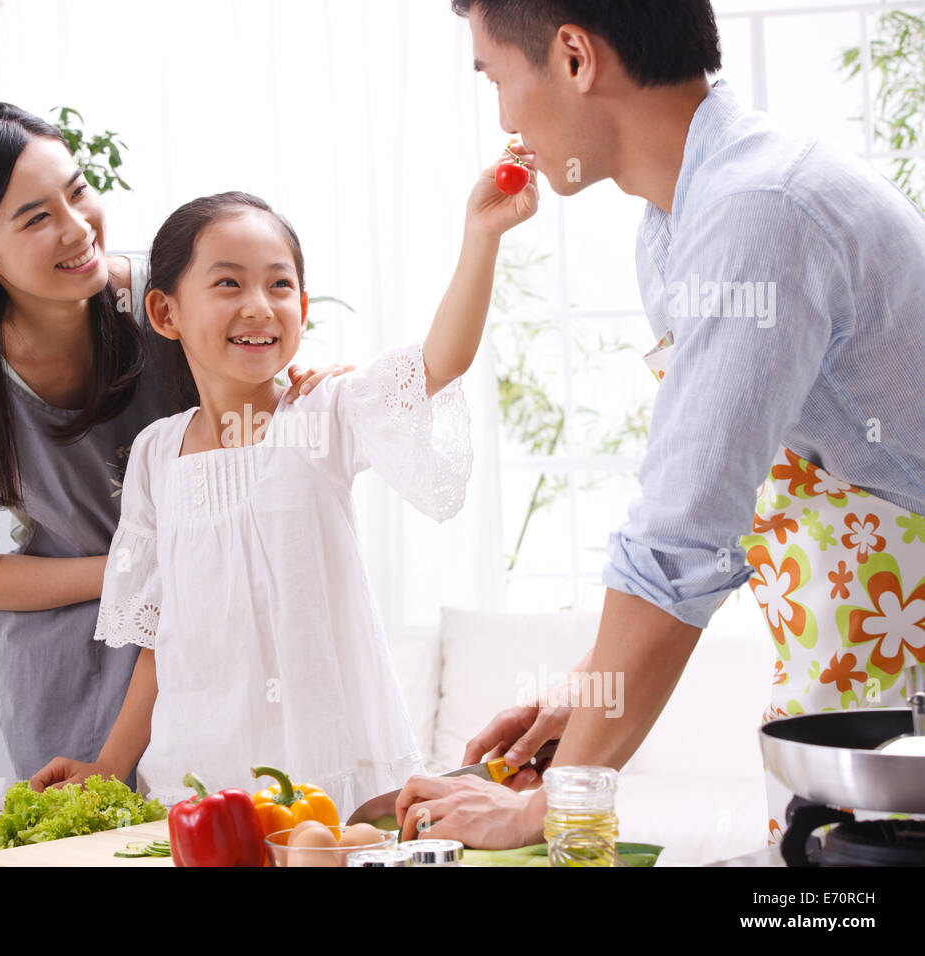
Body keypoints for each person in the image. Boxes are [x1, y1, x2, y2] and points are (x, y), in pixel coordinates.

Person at [396, 0, 925, 849]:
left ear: (574, 58)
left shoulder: (759, 213)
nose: (500, 117)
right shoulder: (677, 221)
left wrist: (550, 805)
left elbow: (683, 540)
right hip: (865, 661)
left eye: (495, 78)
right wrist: (588, 692)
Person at [29, 171, 539, 811]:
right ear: (165, 312)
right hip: (197, 778)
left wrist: (482, 235)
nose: (260, 306)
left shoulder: (325, 412)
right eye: (228, 283)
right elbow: (161, 636)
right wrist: (108, 764)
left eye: (280, 284)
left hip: (330, 769)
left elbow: (441, 360)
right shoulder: (156, 453)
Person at [0, 102, 347, 781]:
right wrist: (142, 568)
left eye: (76, 192)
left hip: (204, 639)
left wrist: (314, 384)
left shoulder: (161, 301)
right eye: (37, 217)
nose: (78, 228)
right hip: (66, 667)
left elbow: (261, 396)